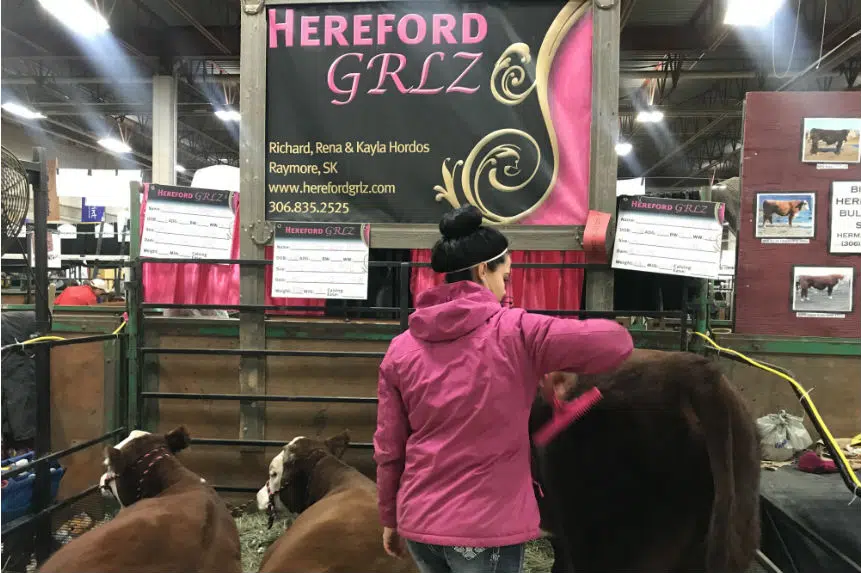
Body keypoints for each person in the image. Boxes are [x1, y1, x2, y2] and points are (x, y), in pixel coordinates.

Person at [373, 205, 634, 573]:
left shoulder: (401, 348)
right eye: (506, 278)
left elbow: (389, 447)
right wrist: (552, 357)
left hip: (420, 525)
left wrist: (388, 516)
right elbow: (617, 342)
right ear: (484, 271)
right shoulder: (518, 332)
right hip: (485, 529)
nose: (505, 289)